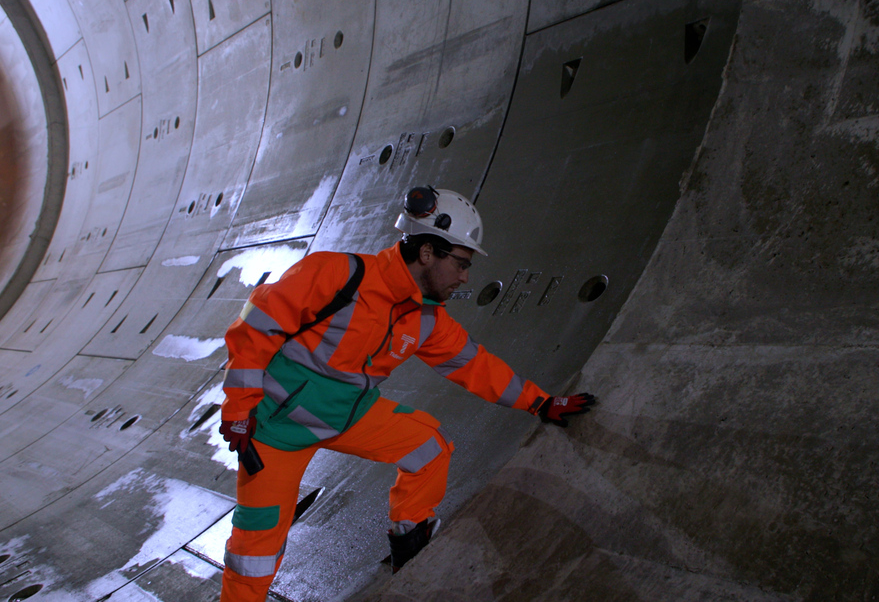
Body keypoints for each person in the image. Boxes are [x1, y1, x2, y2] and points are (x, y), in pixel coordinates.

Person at [217, 186, 596, 601]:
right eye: (461, 264)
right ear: (429, 252)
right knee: (256, 549)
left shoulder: (426, 318)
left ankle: (408, 550)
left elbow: (475, 365)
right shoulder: (336, 274)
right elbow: (253, 330)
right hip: (276, 432)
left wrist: (538, 402)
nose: (465, 277)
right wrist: (238, 409)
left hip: (347, 415)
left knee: (428, 448)